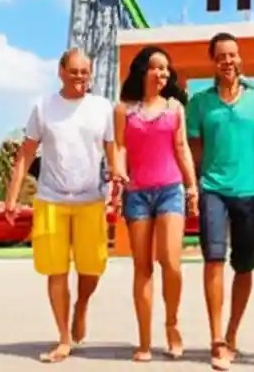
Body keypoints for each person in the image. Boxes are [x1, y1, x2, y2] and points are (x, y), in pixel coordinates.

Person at [4, 48, 116, 364]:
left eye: (85, 72)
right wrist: (12, 196)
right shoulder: (43, 108)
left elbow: (111, 147)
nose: (80, 77)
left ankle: (81, 305)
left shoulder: (101, 107)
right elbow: (26, 153)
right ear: (61, 71)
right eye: (75, 71)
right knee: (56, 270)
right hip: (51, 199)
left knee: (92, 267)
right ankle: (64, 338)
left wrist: (119, 174)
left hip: (91, 199)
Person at [186, 32, 254, 370]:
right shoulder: (199, 103)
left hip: (250, 192)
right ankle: (215, 339)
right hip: (213, 188)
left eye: (233, 55)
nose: (228, 61)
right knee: (213, 259)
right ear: (213, 61)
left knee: (244, 266)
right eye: (222, 56)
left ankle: (232, 334)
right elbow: (194, 150)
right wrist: (193, 186)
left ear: (240, 59)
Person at [110, 45, 199, 362]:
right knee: (142, 267)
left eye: (166, 69)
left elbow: (182, 148)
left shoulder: (175, 108)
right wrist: (118, 170)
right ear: (142, 71)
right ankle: (144, 340)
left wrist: (191, 187)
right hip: (137, 194)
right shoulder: (123, 110)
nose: (163, 73)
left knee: (171, 262)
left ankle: (172, 324)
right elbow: (120, 147)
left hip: (170, 190)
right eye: (156, 67)